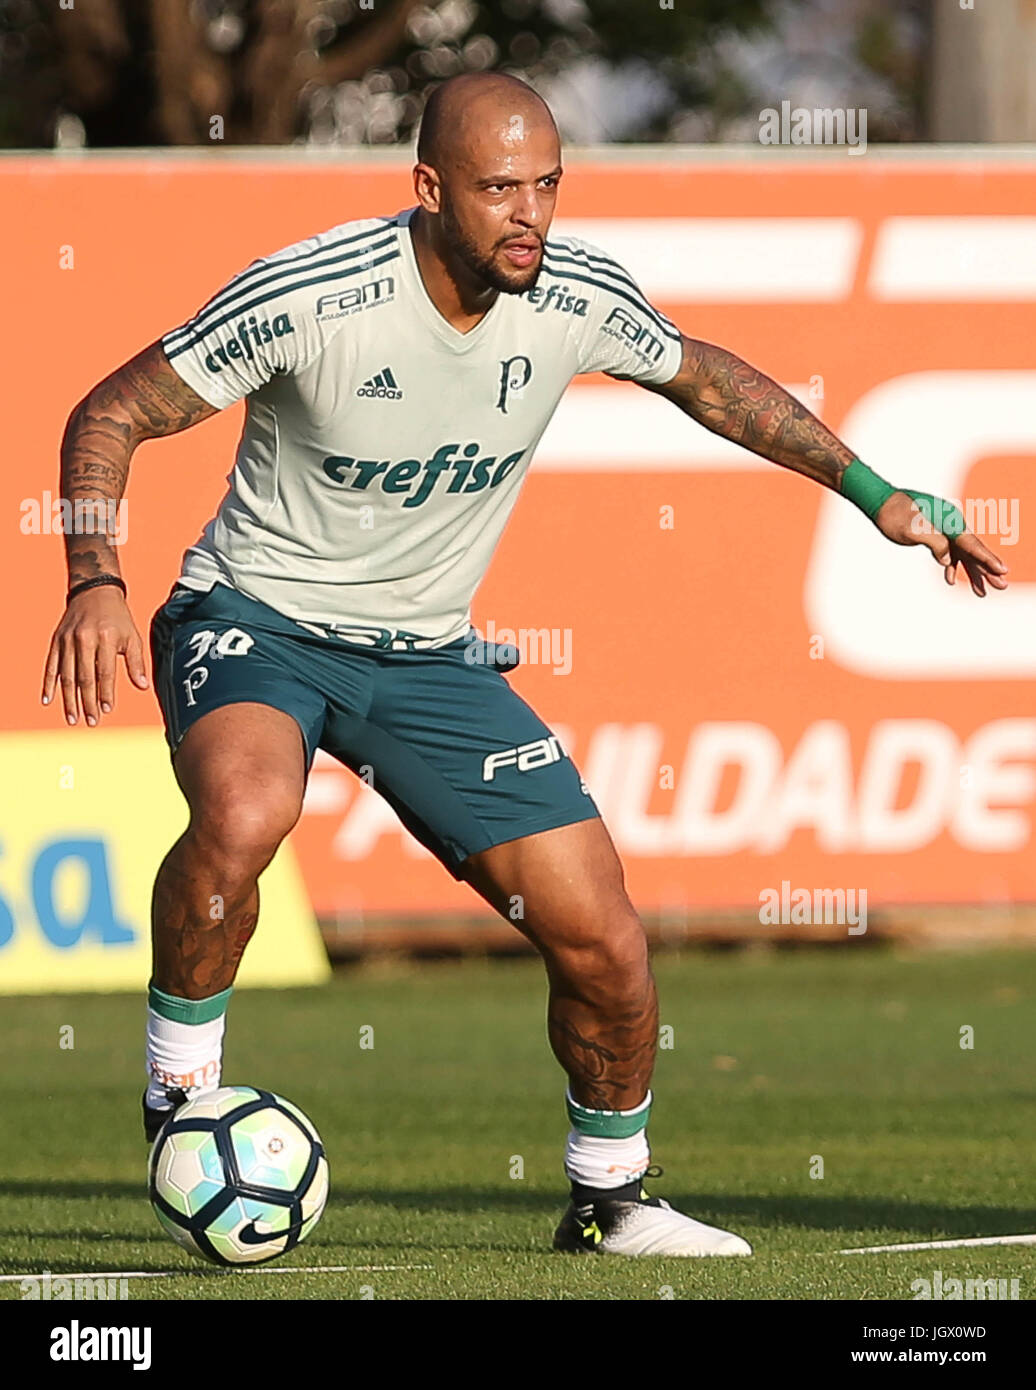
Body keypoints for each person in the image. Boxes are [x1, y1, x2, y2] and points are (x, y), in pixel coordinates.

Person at [41, 73, 1007, 1258]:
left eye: (547, 184)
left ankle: (609, 1200)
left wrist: (879, 498)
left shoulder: (577, 293)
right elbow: (109, 411)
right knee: (247, 812)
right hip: (256, 615)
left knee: (603, 934)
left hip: (428, 655)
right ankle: (180, 1095)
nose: (529, 214)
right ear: (428, 188)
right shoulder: (316, 293)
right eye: (500, 189)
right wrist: (95, 578)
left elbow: (712, 381)